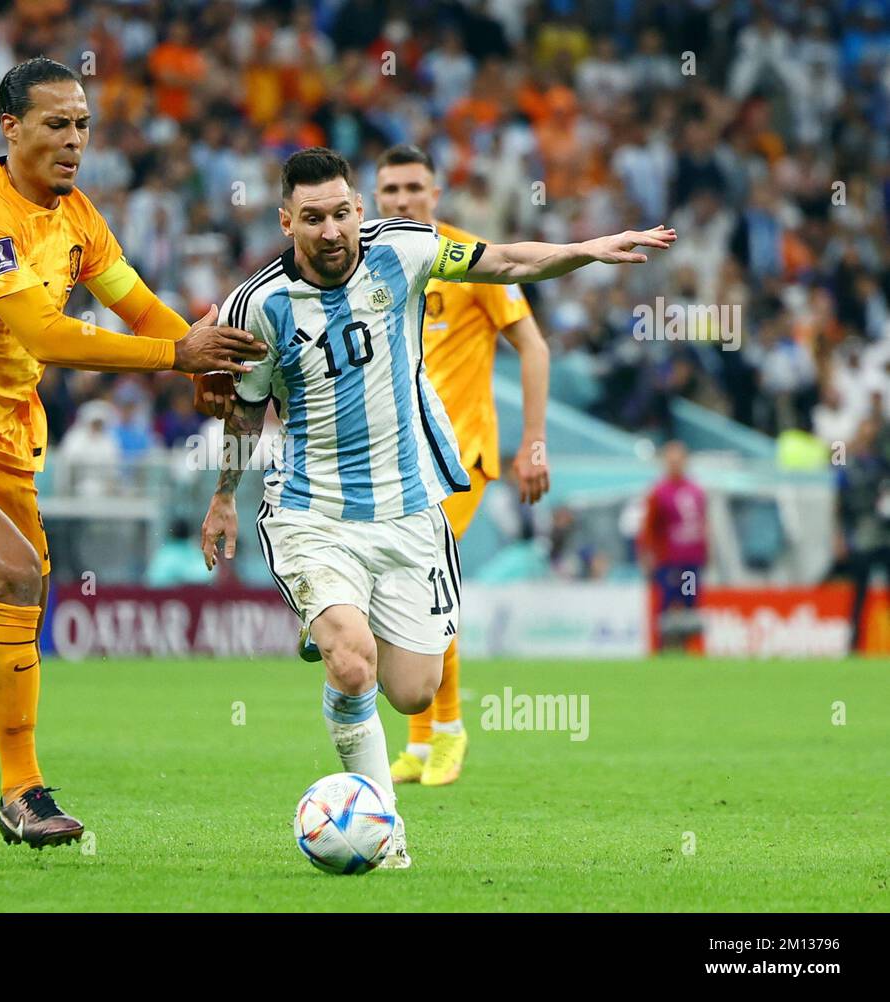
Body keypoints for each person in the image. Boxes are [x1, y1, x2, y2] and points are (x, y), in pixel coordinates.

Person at [200, 147, 673, 868]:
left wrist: (585, 249)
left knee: (412, 693)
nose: (332, 232)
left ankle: (344, 654)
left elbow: (510, 261)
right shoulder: (258, 305)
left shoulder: (408, 251)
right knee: (354, 663)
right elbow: (243, 415)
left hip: (410, 511)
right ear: (286, 220)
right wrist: (222, 500)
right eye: (313, 218)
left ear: (359, 210)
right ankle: (383, 828)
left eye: (342, 214)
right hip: (311, 512)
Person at [0, 57, 265, 849]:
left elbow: (141, 307)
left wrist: (207, 361)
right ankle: (23, 795)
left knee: (8, 622)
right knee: (16, 577)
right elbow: (44, 335)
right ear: (11, 128)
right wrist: (177, 358)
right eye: (56, 124)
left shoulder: (80, 216)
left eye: (82, 125)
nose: (74, 139)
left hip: (7, 446)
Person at [372, 143, 551, 789]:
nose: (401, 201)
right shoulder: (368, 264)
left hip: (462, 457)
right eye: (390, 190)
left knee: (421, 583)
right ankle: (420, 745)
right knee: (397, 593)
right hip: (394, 460)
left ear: (436, 192)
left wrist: (533, 441)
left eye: (413, 188)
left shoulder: (468, 258)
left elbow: (532, 346)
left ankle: (447, 731)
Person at [638, 440, 708, 652]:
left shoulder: (696, 491)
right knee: (666, 602)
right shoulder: (658, 493)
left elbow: (702, 525)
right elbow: (648, 528)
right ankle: (661, 647)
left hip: (690, 562)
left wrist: (705, 552)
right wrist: (647, 555)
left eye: (678, 460)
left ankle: (687, 647)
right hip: (668, 562)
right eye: (671, 461)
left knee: (688, 601)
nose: (675, 465)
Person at [834, 417, 890, 654]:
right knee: (859, 594)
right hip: (860, 535)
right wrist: (838, 536)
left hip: (885, 533)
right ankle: (854, 643)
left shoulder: (882, 461)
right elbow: (834, 465)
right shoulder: (847, 460)